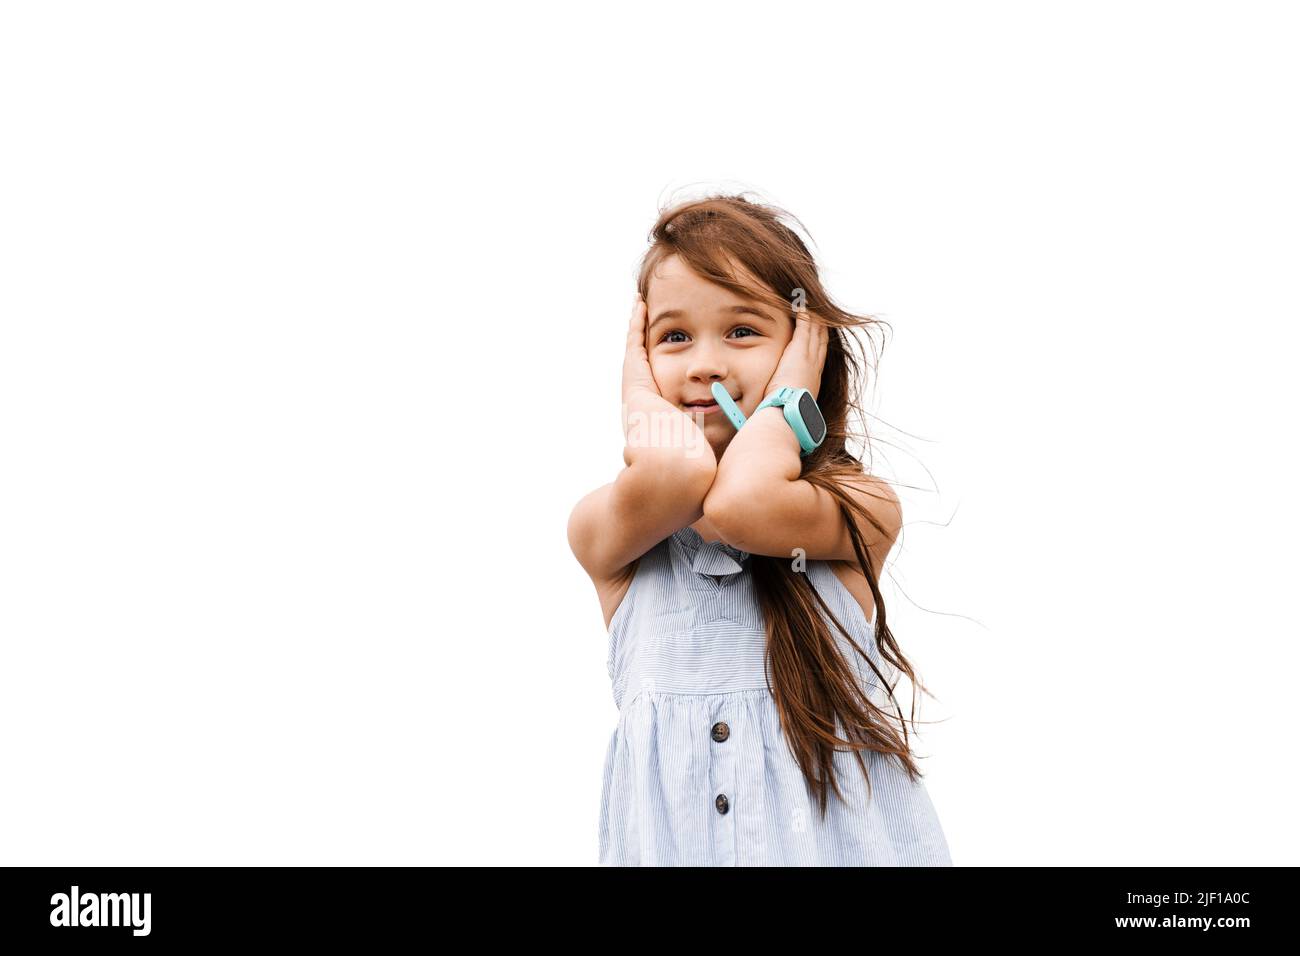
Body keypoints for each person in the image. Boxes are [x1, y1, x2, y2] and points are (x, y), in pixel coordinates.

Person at [567, 194, 953, 866]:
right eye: (673, 338)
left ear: (805, 351)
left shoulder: (858, 509)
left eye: (743, 331)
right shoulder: (609, 532)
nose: (705, 364)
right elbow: (683, 473)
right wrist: (636, 397)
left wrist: (787, 401)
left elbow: (739, 505)